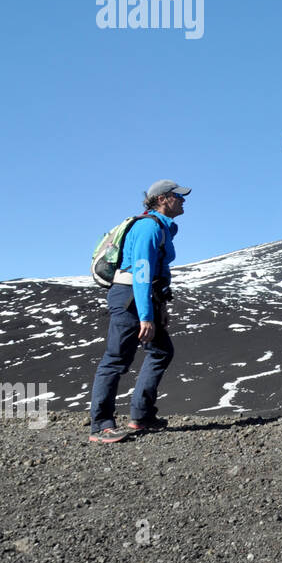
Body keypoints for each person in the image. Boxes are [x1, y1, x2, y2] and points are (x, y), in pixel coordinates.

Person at [88, 180, 190, 443]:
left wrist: (160, 308)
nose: (183, 201)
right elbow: (142, 272)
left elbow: (156, 273)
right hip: (130, 297)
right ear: (164, 199)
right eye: (179, 196)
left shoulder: (160, 227)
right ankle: (100, 425)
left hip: (144, 298)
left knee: (161, 350)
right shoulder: (148, 227)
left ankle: (141, 416)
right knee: (116, 359)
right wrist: (146, 316)